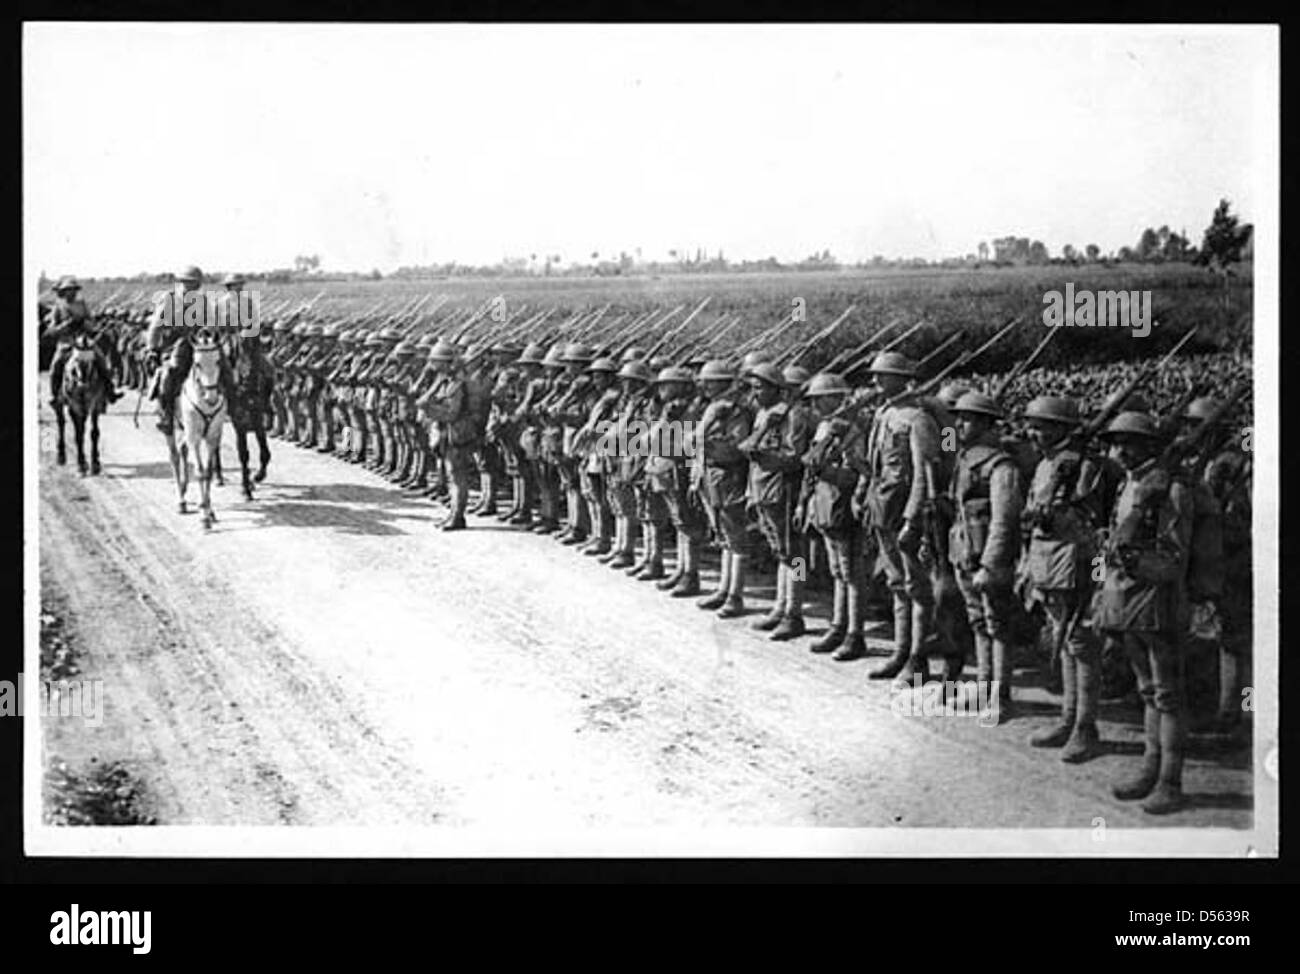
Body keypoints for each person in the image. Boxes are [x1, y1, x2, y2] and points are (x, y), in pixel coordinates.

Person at [1095, 411, 1195, 815]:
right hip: (1127, 598)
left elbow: (1175, 559)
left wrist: (1130, 559)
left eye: (1129, 442)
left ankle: (1171, 780)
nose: (1119, 449)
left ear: (1150, 446)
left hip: (1159, 600)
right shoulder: (1129, 484)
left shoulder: (1171, 491)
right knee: (1148, 691)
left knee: (1168, 694)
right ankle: (1149, 769)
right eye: (1116, 441)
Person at [1020, 396, 1113, 757]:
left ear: (1061, 428)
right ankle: (1068, 717)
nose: (1032, 432)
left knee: (1081, 644)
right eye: (1032, 425)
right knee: (1065, 640)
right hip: (1048, 562)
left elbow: (1088, 519)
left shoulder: (1082, 466)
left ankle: (1085, 727)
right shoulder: (1049, 463)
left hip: (1075, 561)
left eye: (1040, 426)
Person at [857, 352, 941, 677]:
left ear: (903, 378)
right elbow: (876, 465)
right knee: (896, 583)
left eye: (884, 375)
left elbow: (923, 474)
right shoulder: (884, 414)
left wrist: (912, 519)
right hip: (883, 509)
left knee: (917, 586)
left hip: (905, 514)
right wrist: (865, 497)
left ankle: (918, 659)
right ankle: (900, 652)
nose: (876, 380)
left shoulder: (917, 419)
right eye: (876, 375)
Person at [947, 392, 1023, 721]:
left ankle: (1001, 697)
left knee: (998, 626)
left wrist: (990, 565)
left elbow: (1004, 520)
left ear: (983, 424)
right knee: (978, 622)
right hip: (965, 552)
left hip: (989, 559)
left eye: (965, 419)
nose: (958, 425)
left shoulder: (1001, 466)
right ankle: (983, 687)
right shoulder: (965, 458)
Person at [739, 362, 815, 640]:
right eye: (753, 387)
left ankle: (794, 613)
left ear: (776, 389)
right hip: (763, 491)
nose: (755, 392)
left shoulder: (793, 416)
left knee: (795, 555)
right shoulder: (764, 414)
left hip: (783, 491)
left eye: (760, 387)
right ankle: (781, 607)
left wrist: (766, 457)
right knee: (782, 553)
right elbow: (746, 450)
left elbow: (796, 458)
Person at [799, 372, 870, 659]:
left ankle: (855, 633)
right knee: (837, 571)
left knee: (851, 573)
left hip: (843, 504)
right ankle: (839, 625)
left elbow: (861, 473)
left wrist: (827, 470)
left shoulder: (853, 430)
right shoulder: (825, 427)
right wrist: (804, 501)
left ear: (835, 399)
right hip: (824, 504)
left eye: (820, 399)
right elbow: (810, 465)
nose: (814, 405)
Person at [692, 360, 755, 616]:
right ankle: (725, 589)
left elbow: (736, 448)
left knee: (791, 555)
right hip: (714, 477)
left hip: (731, 478)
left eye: (710, 380)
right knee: (726, 538)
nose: (704, 385)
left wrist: (706, 444)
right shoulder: (716, 407)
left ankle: (791, 604)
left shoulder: (735, 410)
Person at [46, 276, 120, 406]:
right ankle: (54, 395)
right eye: (68, 289)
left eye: (73, 289)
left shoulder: (82, 304)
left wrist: (84, 323)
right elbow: (52, 329)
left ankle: (110, 391)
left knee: (101, 360)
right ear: (64, 291)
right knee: (55, 367)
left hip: (84, 342)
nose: (71, 292)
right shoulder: (58, 307)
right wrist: (66, 325)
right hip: (66, 343)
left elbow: (92, 323)